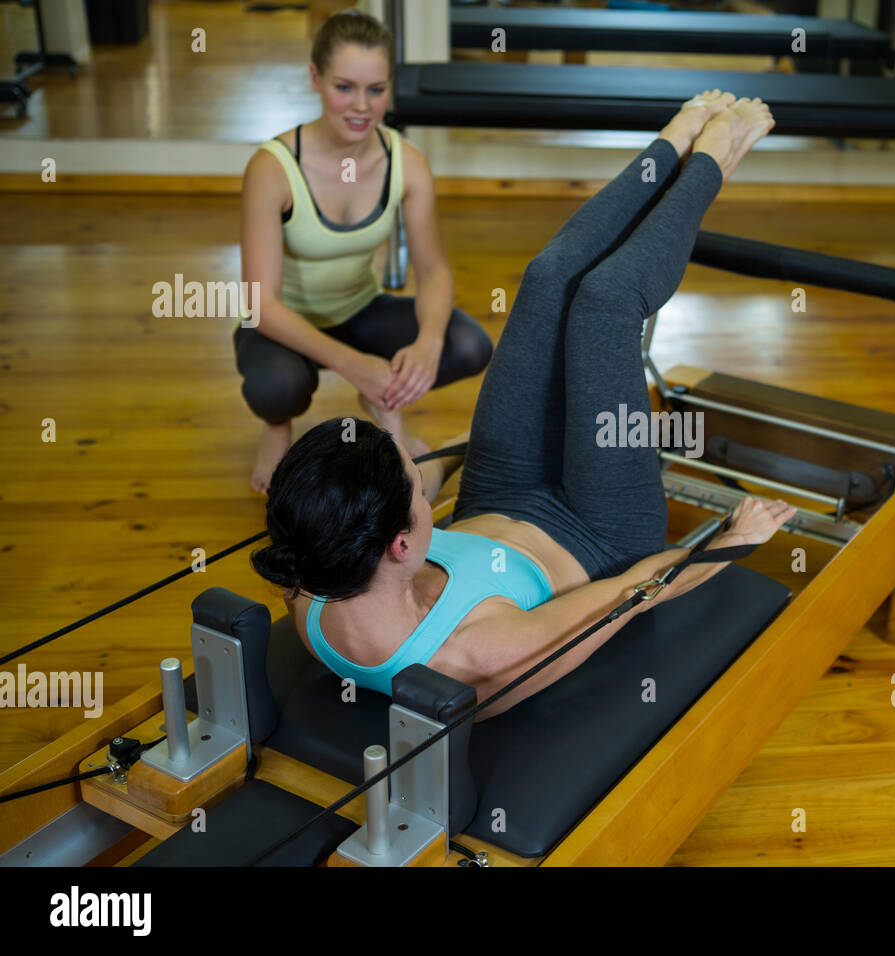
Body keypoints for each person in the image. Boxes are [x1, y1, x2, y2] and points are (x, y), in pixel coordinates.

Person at [252, 89, 795, 721]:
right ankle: (713, 159)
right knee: (606, 302)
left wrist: (449, 460)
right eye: (419, 491)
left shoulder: (312, 583)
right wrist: (734, 539)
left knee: (545, 281)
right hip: (597, 532)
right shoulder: (479, 651)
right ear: (400, 545)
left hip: (495, 492)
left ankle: (671, 143)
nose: (426, 486)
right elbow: (631, 593)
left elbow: (394, 495)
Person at [235, 10, 493, 494]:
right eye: (344, 87)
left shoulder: (407, 163)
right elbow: (259, 304)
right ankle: (277, 429)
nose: (361, 106)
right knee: (277, 387)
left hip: (358, 308)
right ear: (315, 78)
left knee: (469, 344)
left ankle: (378, 399)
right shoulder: (272, 168)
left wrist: (427, 343)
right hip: (281, 322)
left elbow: (434, 270)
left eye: (376, 89)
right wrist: (358, 365)